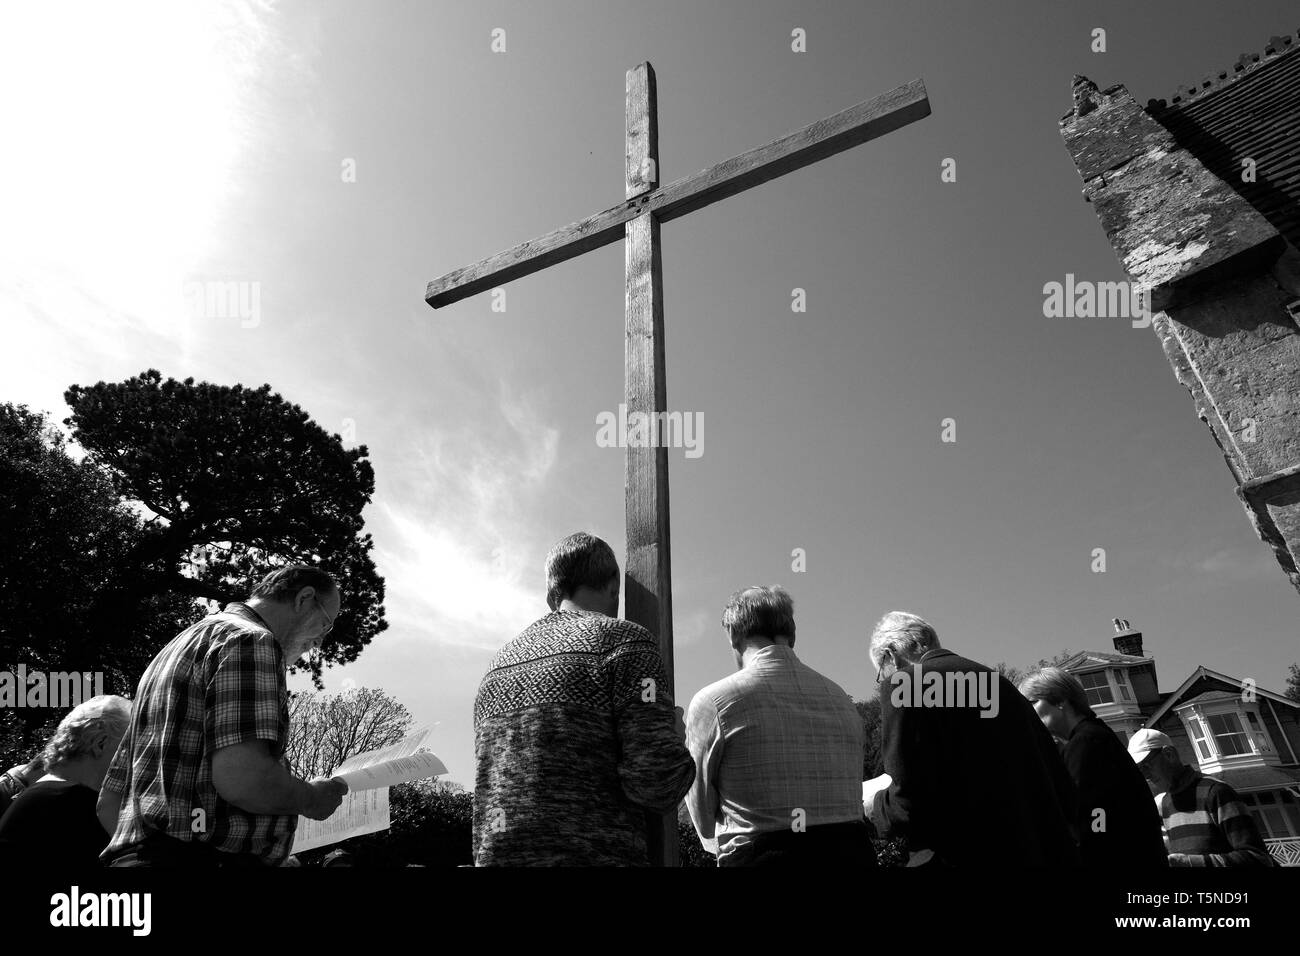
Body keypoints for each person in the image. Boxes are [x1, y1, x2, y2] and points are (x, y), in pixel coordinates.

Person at [99, 565, 348, 866]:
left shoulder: (170, 652)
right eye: (325, 624)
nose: (320, 641)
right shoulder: (251, 641)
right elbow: (243, 779)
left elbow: (109, 802)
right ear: (304, 599)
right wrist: (311, 798)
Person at [473, 532, 694, 865]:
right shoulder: (627, 642)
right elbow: (655, 782)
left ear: (552, 593)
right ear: (613, 588)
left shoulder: (495, 668)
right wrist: (676, 741)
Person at [865, 611, 1079, 867]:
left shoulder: (906, 684)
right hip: (1041, 855)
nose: (884, 679)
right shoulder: (1002, 685)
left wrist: (875, 808)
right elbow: (1056, 774)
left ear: (890, 655)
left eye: (882, 672)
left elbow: (911, 798)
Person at [684, 586, 873, 867]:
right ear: (792, 633)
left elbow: (704, 821)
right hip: (855, 854)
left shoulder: (714, 702)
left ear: (733, 637)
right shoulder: (842, 701)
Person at [1018, 667, 1166, 867]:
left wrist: (1090, 842)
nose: (1028, 713)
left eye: (1032, 703)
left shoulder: (1087, 743)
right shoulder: (1092, 737)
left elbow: (1093, 813)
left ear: (1060, 700)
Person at [0, 696, 132, 865]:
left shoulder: (38, 796)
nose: (135, 761)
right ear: (101, 743)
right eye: (130, 748)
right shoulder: (78, 805)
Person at [1128, 728, 1274, 867]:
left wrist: (1189, 863)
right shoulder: (1166, 803)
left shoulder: (1216, 792)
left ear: (1169, 755)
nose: (1145, 776)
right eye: (1140, 770)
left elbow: (1259, 859)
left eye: (1146, 766)